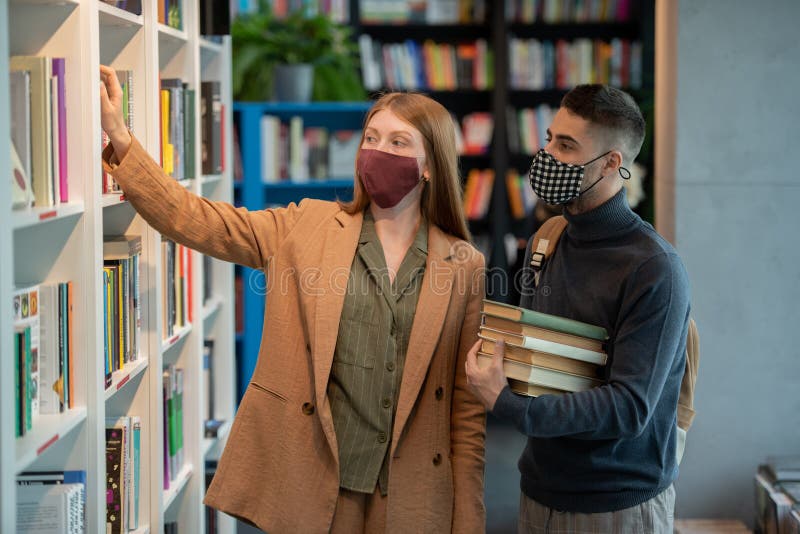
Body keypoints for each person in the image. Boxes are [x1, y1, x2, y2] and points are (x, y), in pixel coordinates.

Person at [99, 66, 486, 533]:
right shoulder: (308, 227)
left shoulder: (464, 265)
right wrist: (120, 136)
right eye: (371, 137)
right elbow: (195, 218)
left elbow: (466, 414)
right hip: (321, 488)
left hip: (412, 495)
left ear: (429, 166)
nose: (378, 152)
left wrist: (468, 521)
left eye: (398, 143)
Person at [465, 84, 691, 534]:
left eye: (566, 145)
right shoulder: (546, 238)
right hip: (538, 493)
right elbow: (535, 358)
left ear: (612, 163)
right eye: (549, 138)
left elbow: (628, 408)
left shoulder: (655, 268)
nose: (547, 154)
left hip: (618, 506)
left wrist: (509, 406)